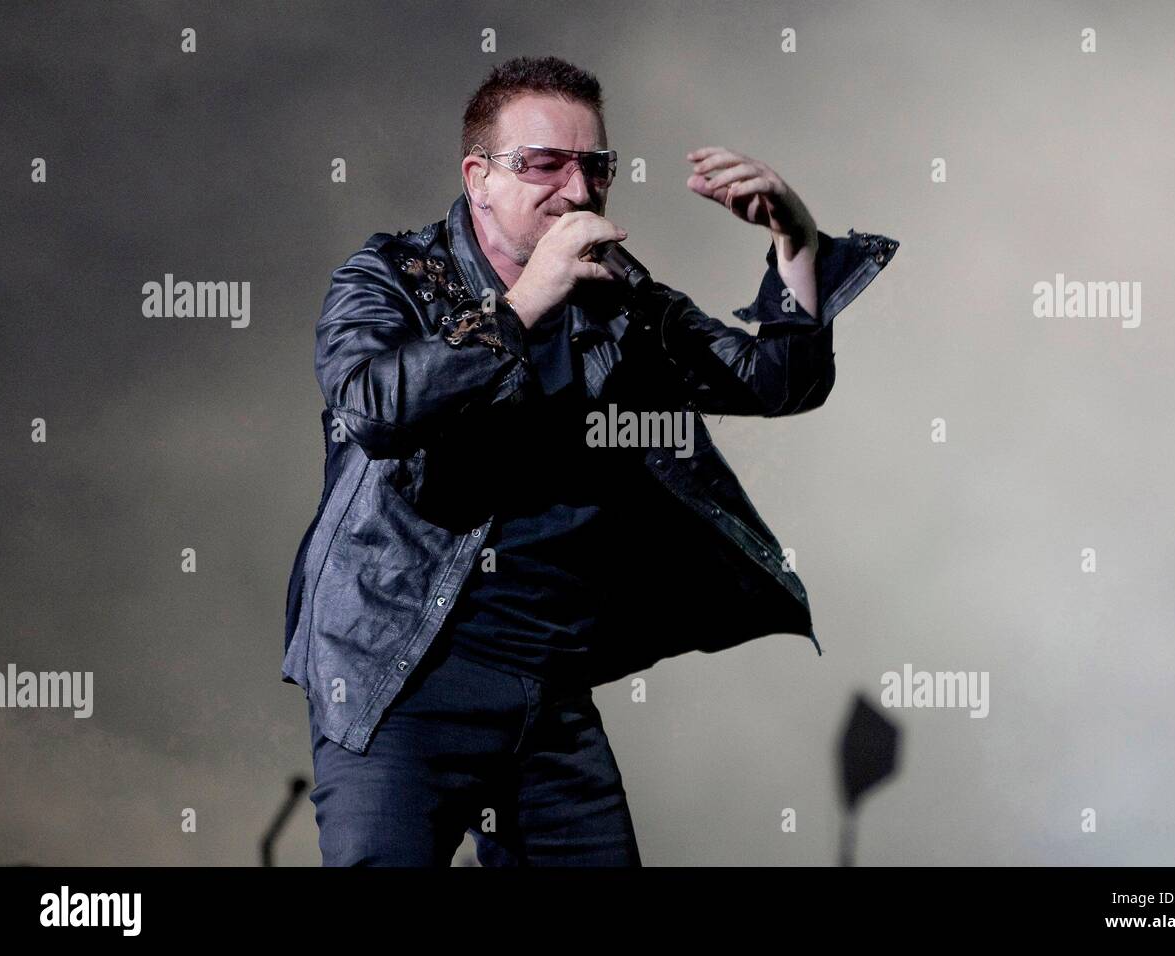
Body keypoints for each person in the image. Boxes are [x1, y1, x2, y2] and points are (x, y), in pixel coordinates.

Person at [281, 54, 899, 866]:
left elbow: (776, 382)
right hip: (399, 674)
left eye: (594, 167)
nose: (575, 190)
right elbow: (372, 407)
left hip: (550, 687)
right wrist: (523, 304)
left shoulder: (619, 302)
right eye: (543, 164)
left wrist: (796, 240)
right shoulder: (395, 276)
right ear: (480, 178)